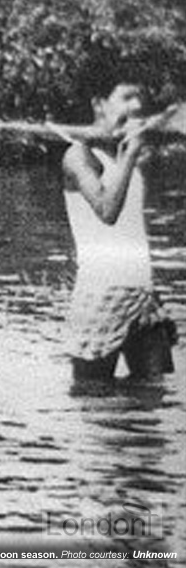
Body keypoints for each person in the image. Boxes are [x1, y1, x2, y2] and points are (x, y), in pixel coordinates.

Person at [61, 76, 176, 382]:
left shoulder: (126, 156)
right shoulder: (79, 155)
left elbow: (132, 232)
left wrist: (152, 289)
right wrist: (130, 155)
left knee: (156, 395)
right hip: (100, 294)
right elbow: (107, 211)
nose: (136, 105)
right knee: (93, 397)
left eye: (139, 99)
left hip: (141, 294)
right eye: (126, 97)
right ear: (99, 104)